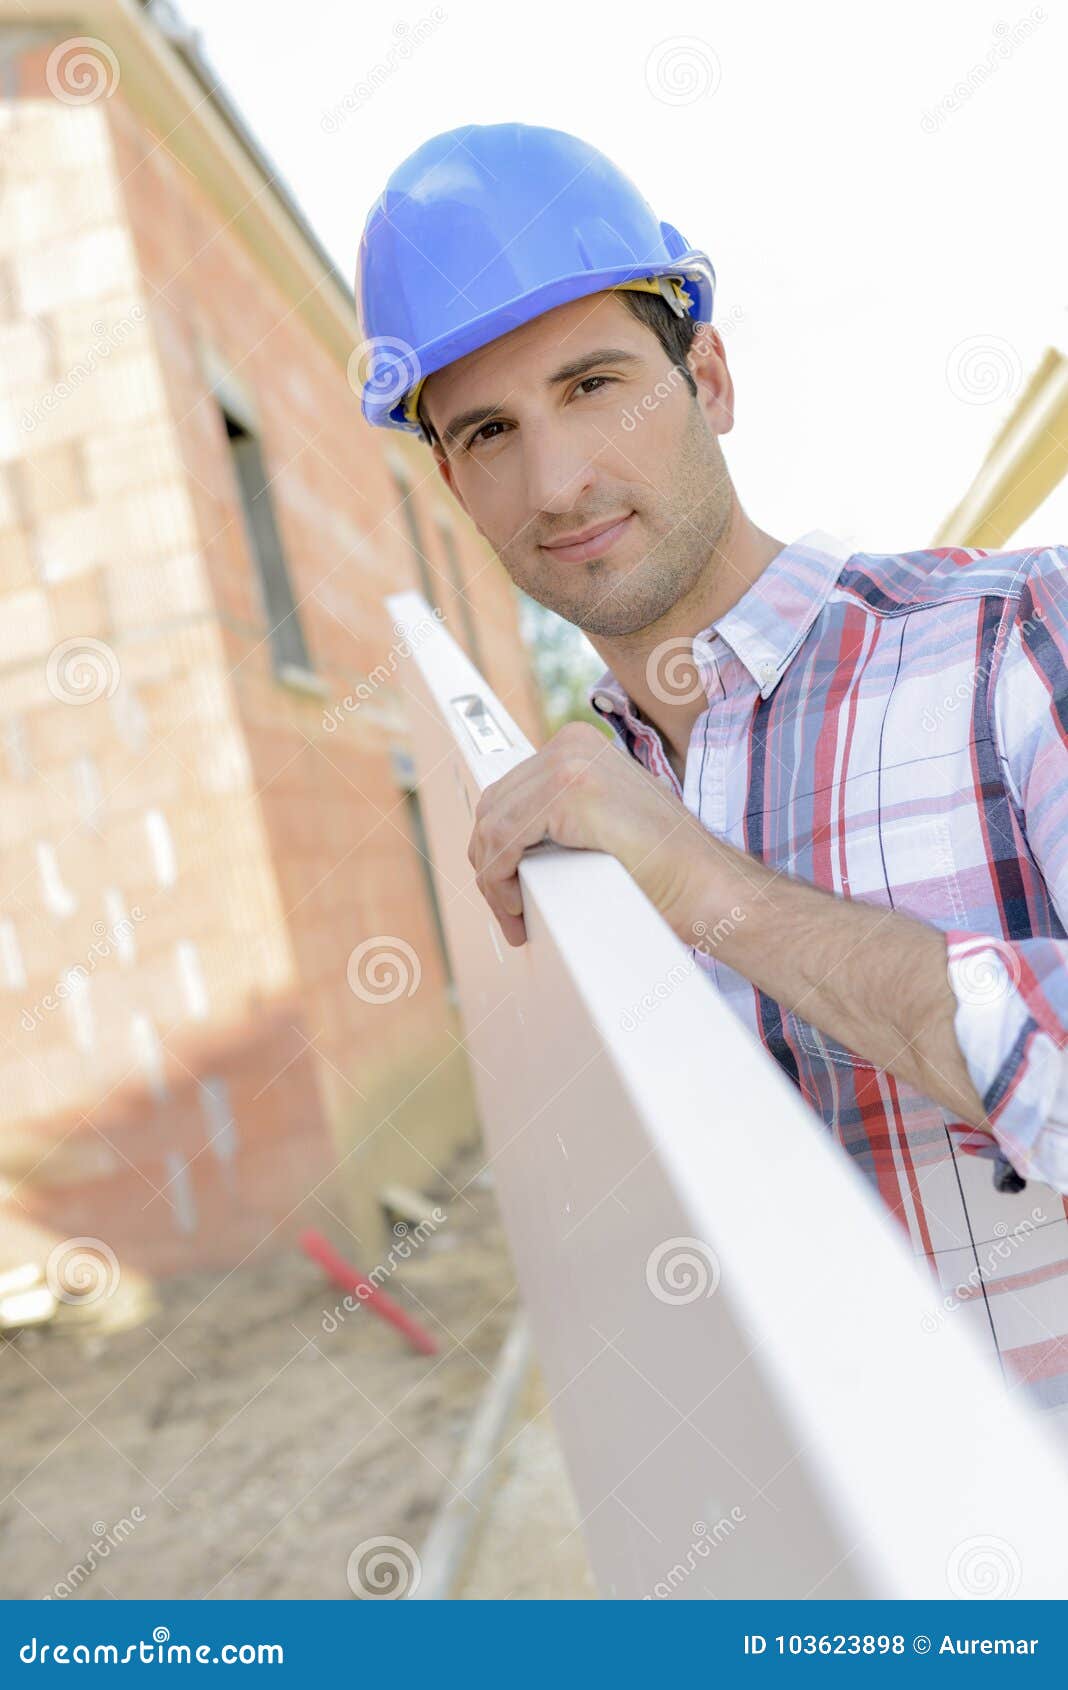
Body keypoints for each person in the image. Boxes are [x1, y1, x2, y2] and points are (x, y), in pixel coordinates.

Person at [356, 121, 1068, 1423]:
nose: (557, 482)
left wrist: (708, 888)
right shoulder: (562, 844)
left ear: (711, 377)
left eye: (593, 385)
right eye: (492, 431)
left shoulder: (1017, 638)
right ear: (453, 481)